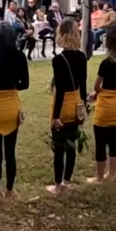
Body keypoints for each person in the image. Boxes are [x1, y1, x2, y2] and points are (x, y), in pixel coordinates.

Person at [0, 24, 29, 202]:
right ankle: (10, 192)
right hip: (11, 107)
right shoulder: (20, 57)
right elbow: (25, 84)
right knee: (10, 153)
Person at [47, 18, 87, 195]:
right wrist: (83, 108)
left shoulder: (59, 59)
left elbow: (61, 89)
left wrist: (55, 116)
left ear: (61, 34)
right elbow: (84, 85)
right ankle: (67, 181)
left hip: (62, 106)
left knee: (59, 147)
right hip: (77, 102)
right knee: (71, 145)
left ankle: (57, 185)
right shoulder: (82, 57)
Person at [87, 25, 116, 183]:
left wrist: (95, 93)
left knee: (100, 142)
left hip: (105, 106)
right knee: (114, 140)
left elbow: (97, 86)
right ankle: (111, 174)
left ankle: (99, 177)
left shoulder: (106, 63)